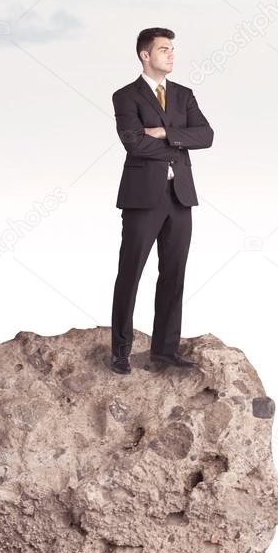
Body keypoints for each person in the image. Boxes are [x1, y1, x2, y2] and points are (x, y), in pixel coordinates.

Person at [109, 27, 213, 374]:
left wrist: (166, 133)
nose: (171, 54)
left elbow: (206, 135)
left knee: (174, 274)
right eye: (164, 49)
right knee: (130, 273)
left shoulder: (184, 95)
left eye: (172, 49)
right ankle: (120, 351)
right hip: (142, 198)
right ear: (145, 54)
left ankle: (165, 351)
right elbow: (134, 143)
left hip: (180, 197)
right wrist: (180, 141)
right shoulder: (125, 96)